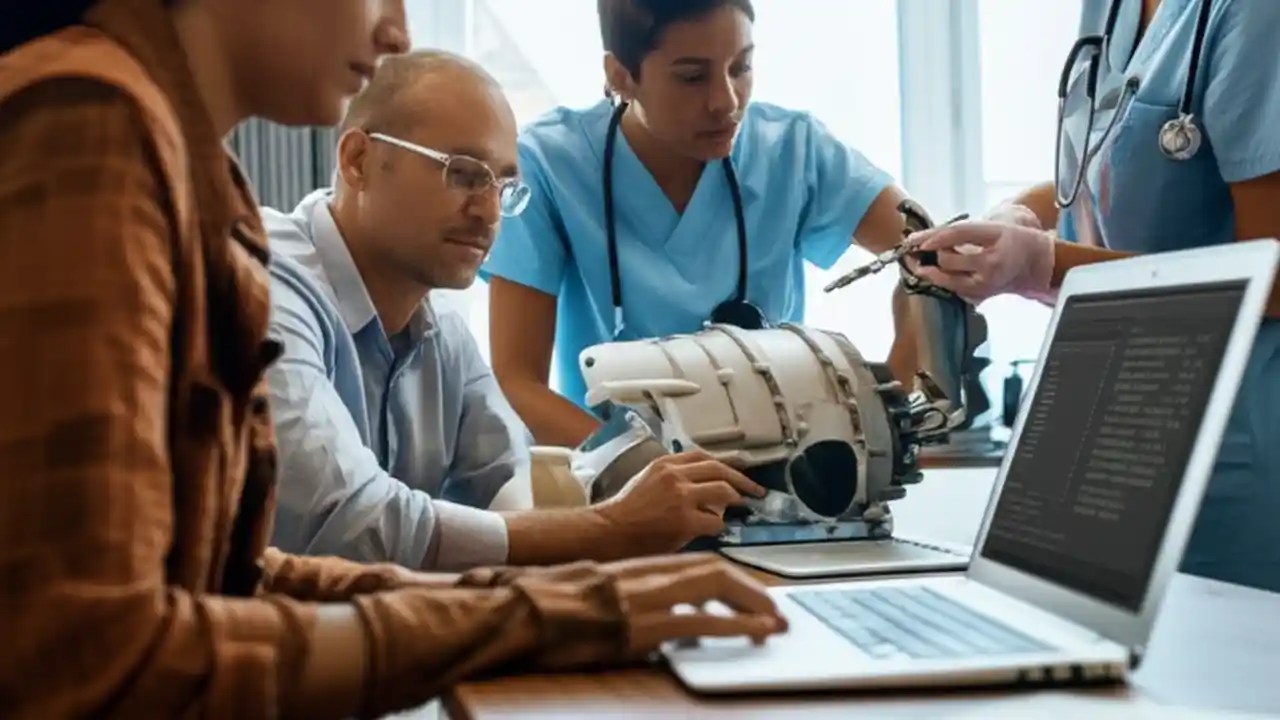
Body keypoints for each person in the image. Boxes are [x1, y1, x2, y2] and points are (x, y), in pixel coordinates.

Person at [0, 1, 784, 717]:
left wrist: (566, 603)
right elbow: (89, 651)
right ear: (356, 162)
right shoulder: (93, 121)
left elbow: (233, 572)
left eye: (498, 184)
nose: (398, 33)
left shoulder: (183, 169)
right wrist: (557, 595)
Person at [263, 49, 769, 570]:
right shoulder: (268, 284)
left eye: (503, 185)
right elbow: (347, 522)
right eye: (462, 174)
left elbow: (508, 494)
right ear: (358, 161)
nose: (487, 212)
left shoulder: (444, 340)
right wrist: (610, 528)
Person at [906, 0, 1280, 591]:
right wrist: (1023, 213)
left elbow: (1273, 273)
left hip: (1233, 448)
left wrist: (1044, 266)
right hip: (1116, 436)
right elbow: (1109, 165)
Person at [482, 0, 916, 448]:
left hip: (783, 479)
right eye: (692, 77)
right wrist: (644, 466)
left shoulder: (793, 150)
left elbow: (934, 259)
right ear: (620, 75)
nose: (726, 102)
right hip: (618, 487)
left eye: (741, 67)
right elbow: (515, 382)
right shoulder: (550, 164)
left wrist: (883, 422)